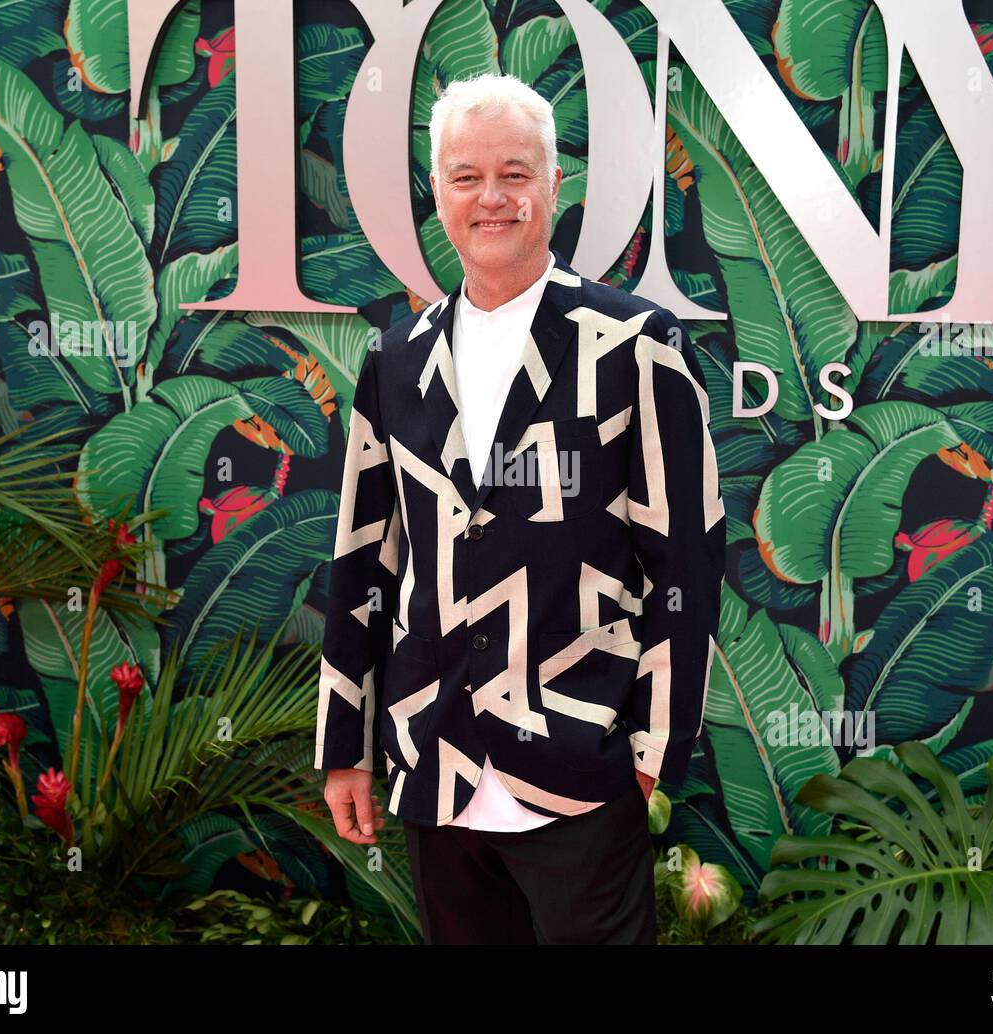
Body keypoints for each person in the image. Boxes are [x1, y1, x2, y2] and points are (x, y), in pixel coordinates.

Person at [314, 72, 725, 944]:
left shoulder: (637, 346)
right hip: (438, 762)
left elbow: (686, 564)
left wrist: (653, 753)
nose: (491, 198)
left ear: (553, 186)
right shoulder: (394, 360)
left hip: (582, 764)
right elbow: (362, 564)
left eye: (515, 173)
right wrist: (343, 744)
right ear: (438, 193)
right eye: (466, 177)